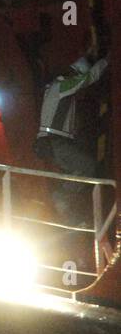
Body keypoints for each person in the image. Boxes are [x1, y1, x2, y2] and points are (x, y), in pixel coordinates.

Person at [35, 52, 108, 218]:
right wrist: (108, 60)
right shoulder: (62, 86)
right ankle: (60, 198)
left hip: (50, 142)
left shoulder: (54, 89)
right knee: (88, 166)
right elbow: (89, 78)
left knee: (74, 172)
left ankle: (69, 215)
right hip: (54, 141)